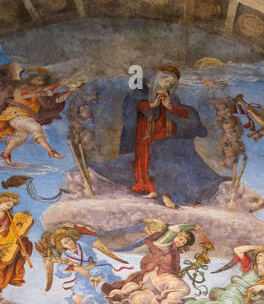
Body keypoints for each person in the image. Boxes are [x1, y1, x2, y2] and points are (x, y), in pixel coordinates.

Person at [92, 66, 224, 208]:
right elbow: (134, 106)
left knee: (162, 157)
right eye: (166, 80)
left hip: (165, 131)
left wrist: (170, 107)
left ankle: (165, 190)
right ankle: (150, 187)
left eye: (171, 83)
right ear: (158, 77)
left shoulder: (172, 97)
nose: (167, 84)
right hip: (146, 130)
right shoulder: (143, 91)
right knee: (145, 155)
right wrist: (151, 105)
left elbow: (180, 113)